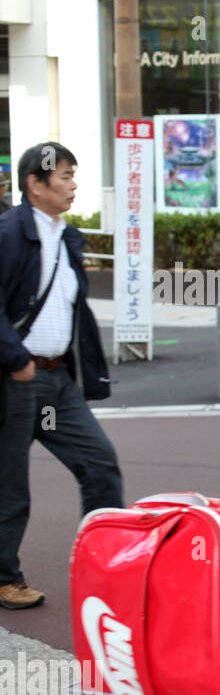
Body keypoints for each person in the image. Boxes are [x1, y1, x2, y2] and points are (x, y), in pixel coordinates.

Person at [0, 142, 122, 611]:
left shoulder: (68, 237)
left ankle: (105, 562)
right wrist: (16, 359)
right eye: (65, 177)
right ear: (35, 184)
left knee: (99, 465)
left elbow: (74, 313)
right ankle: (5, 578)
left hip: (56, 383)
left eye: (74, 176)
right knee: (11, 486)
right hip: (17, 380)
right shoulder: (9, 234)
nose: (73, 185)